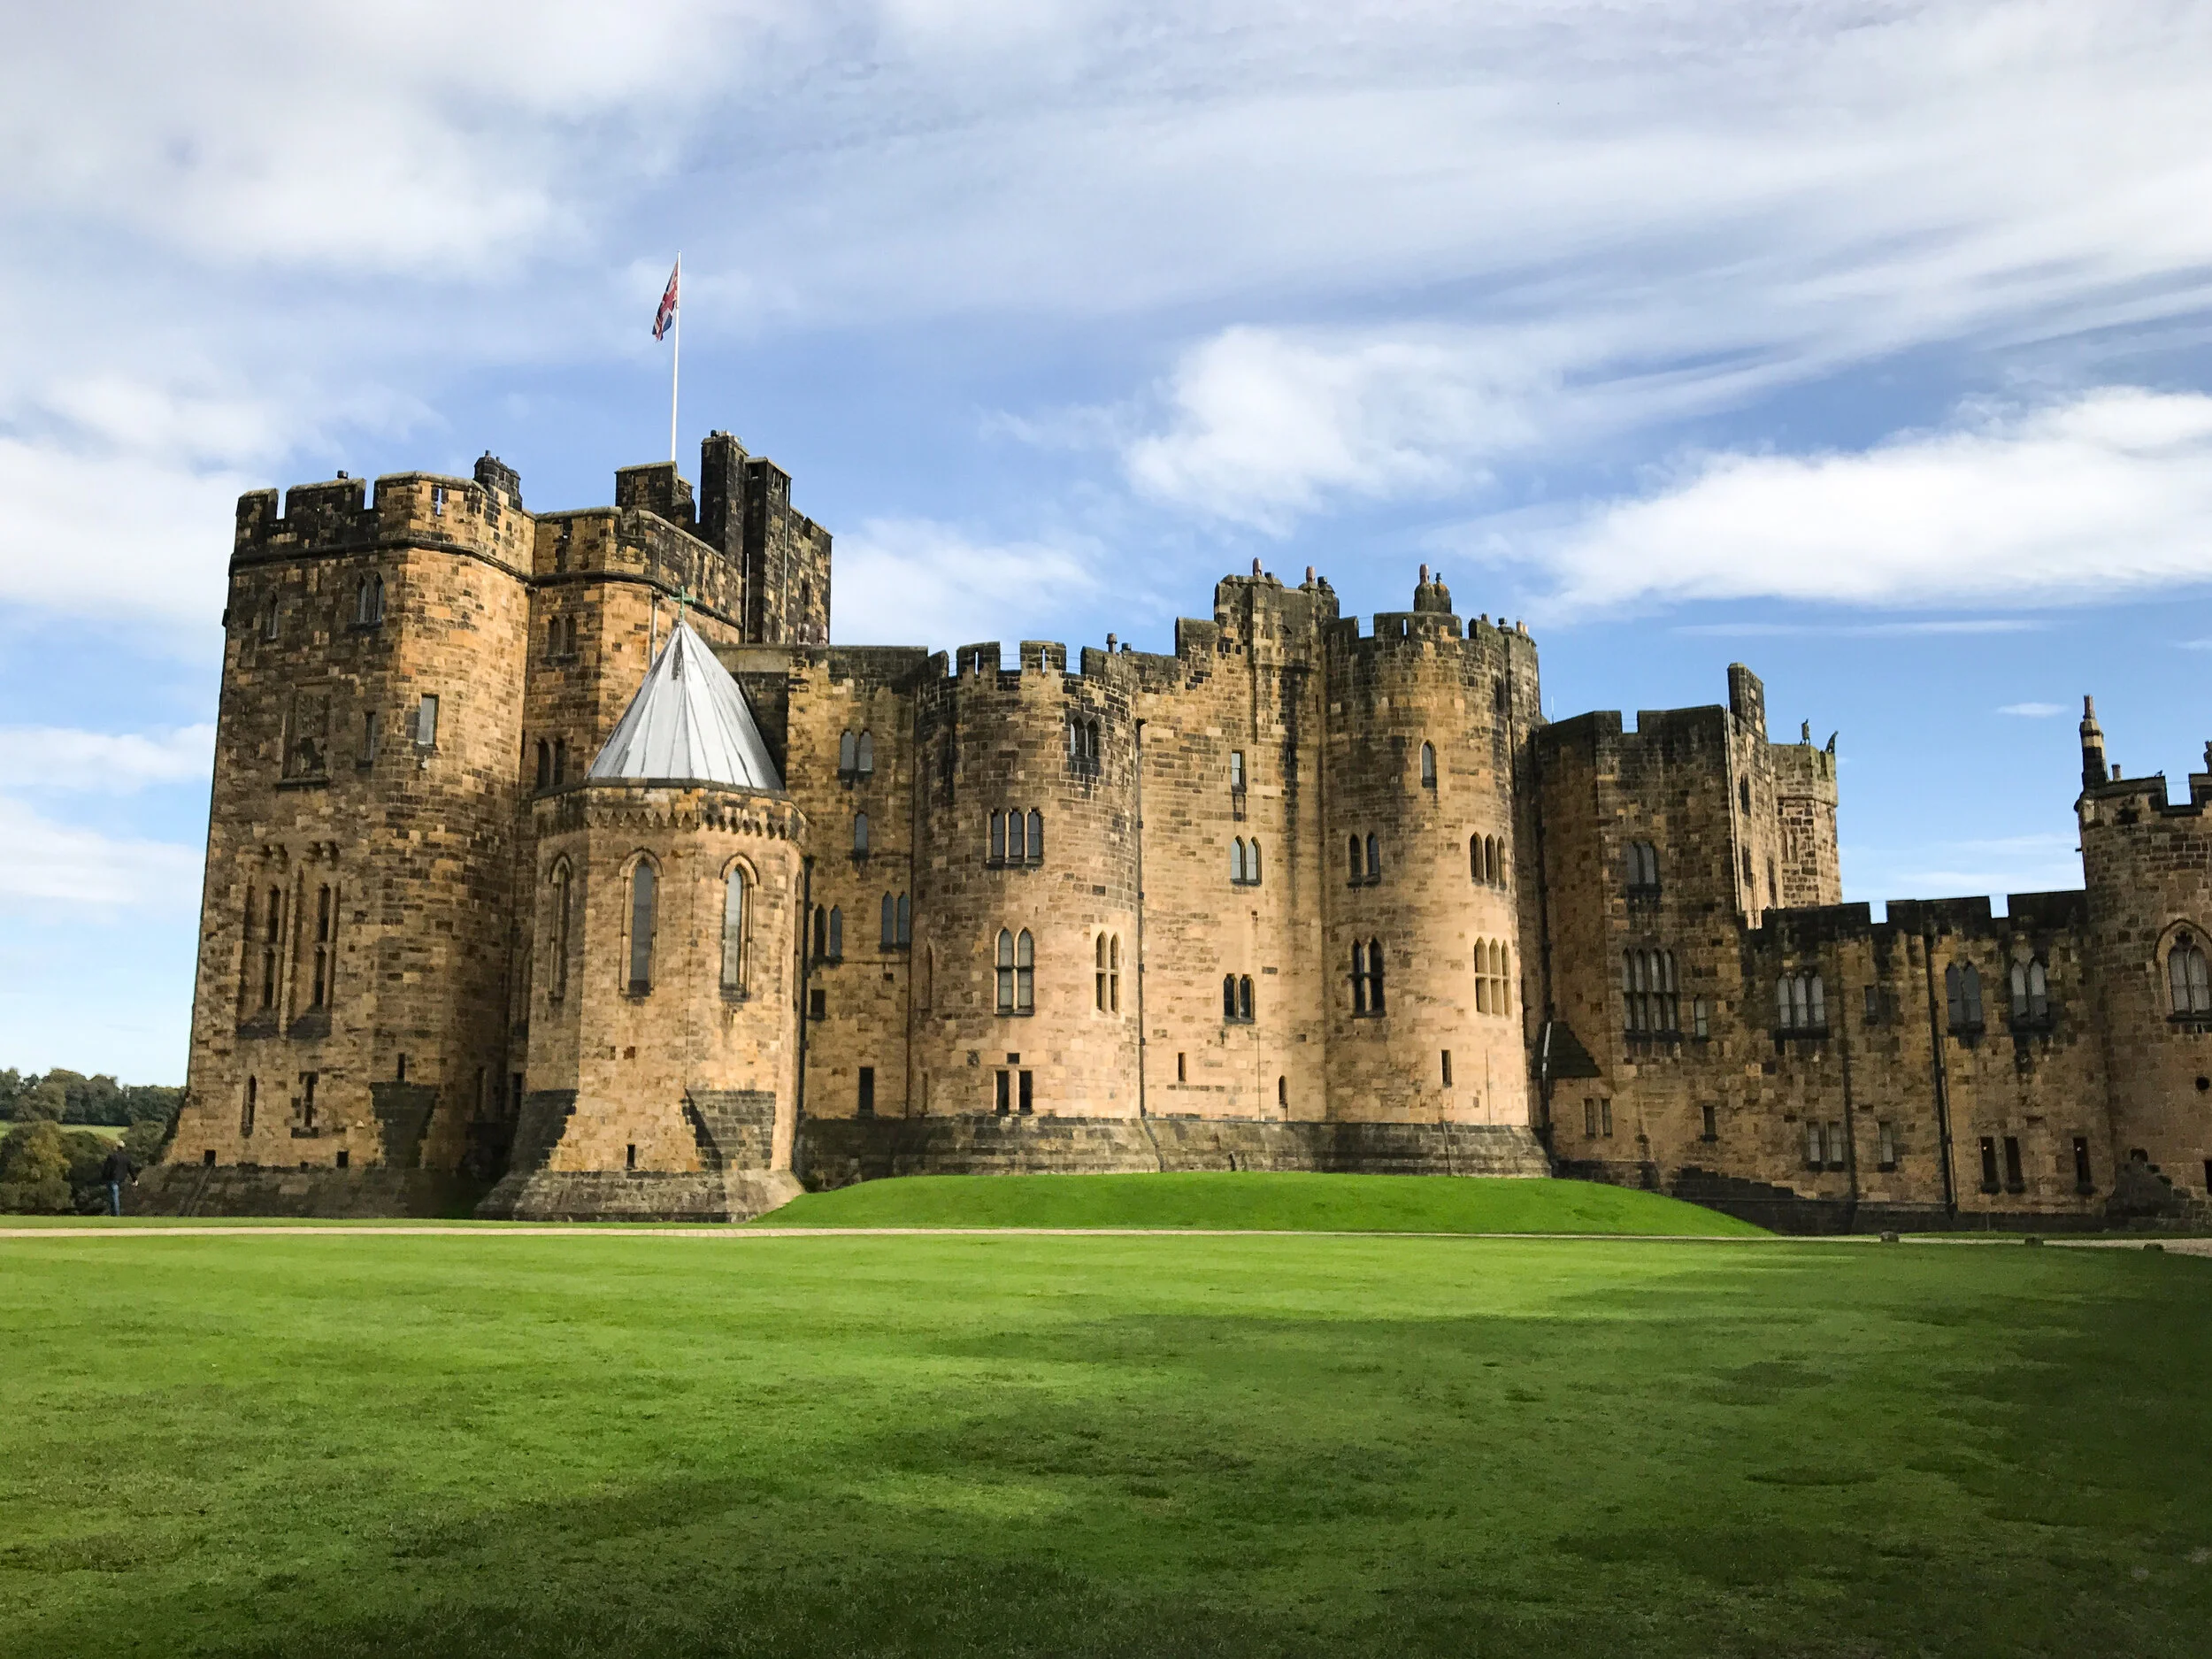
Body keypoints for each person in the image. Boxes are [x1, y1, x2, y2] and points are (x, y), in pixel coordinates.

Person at [101, 1143, 135, 1217]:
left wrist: (104, 1178)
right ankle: (114, 1214)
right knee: (114, 1196)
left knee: (114, 1197)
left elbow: (107, 1169)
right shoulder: (126, 1158)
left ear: (116, 1147)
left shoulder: (112, 1157)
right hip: (121, 1179)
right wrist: (134, 1179)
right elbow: (131, 1169)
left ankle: (116, 1215)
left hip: (112, 1179)